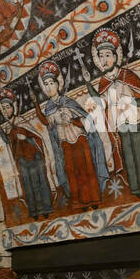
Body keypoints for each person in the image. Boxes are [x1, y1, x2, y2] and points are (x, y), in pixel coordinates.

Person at [89, 28, 140, 197]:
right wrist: (89, 88)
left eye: (107, 55)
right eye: (101, 56)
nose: (104, 60)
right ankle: (137, 188)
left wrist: (134, 100)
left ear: (115, 56)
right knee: (130, 156)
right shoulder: (103, 83)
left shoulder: (127, 74)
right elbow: (101, 104)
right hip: (122, 123)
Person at [35, 59, 110, 209]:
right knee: (71, 172)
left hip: (80, 140)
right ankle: (79, 202)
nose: (49, 87)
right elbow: (46, 123)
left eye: (51, 83)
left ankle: (94, 199)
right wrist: (36, 105)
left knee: (87, 169)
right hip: (65, 143)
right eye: (46, 85)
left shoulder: (67, 101)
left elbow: (87, 122)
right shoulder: (49, 108)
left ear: (58, 84)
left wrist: (73, 120)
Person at [0, 87, 58, 217]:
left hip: (35, 158)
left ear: (13, 107)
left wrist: (27, 138)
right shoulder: (8, 127)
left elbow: (37, 137)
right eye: (3, 109)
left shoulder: (21, 121)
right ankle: (34, 211)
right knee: (28, 185)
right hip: (22, 160)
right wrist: (2, 132)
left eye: (7, 107)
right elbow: (9, 142)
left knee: (41, 181)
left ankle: (46, 208)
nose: (5, 110)